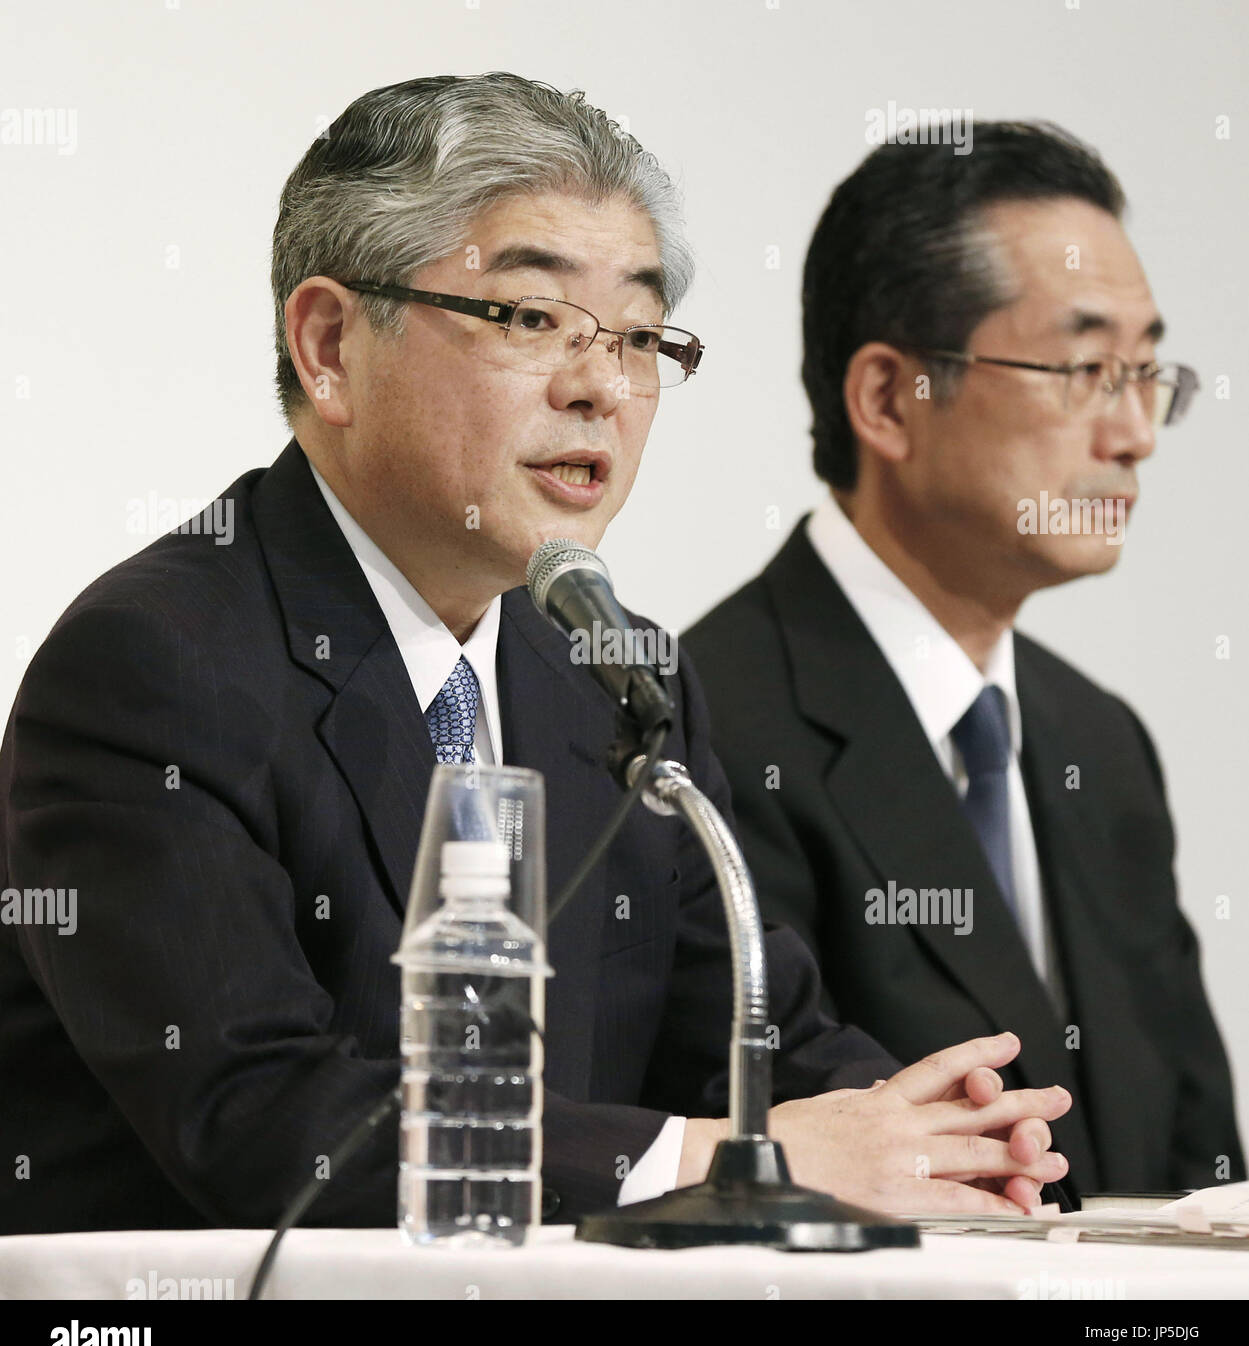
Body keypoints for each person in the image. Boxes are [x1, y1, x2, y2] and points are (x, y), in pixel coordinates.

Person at [0, 77, 1070, 1235]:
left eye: (641, 336)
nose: (600, 386)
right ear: (326, 344)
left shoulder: (610, 675)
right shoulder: (155, 666)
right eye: (530, 318)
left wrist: (942, 1138)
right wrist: (719, 1156)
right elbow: (266, 1120)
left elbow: (758, 1047)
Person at [683, 121, 1243, 1196]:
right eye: (1083, 369)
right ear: (891, 399)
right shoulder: (709, 726)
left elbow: (1201, 1178)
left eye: (1146, 372)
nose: (1135, 434)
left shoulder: (1099, 743)